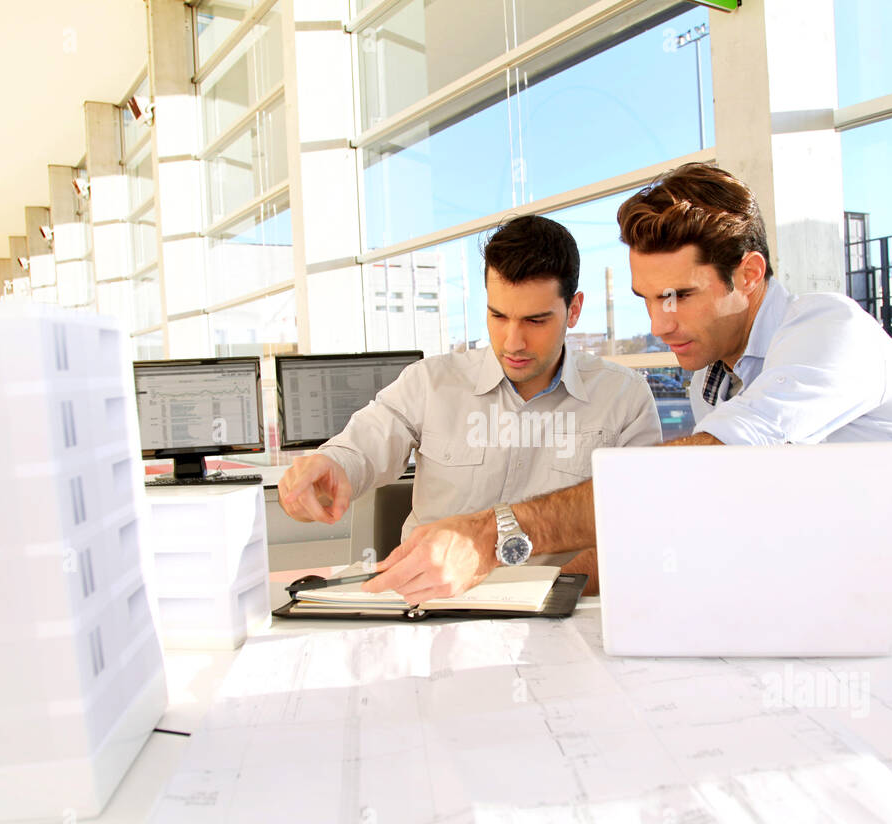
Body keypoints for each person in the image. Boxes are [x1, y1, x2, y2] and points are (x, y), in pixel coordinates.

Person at [363, 163, 892, 604]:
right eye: (648, 298)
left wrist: (496, 533)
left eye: (678, 295)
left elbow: (713, 476)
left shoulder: (830, 332)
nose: (660, 323)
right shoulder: (715, 379)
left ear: (750, 275)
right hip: (839, 619)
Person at [276, 214, 662, 592]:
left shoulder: (624, 398)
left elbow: (639, 526)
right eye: (498, 315)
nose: (513, 342)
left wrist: (554, 594)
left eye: (536, 320)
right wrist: (330, 467)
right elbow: (362, 446)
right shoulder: (431, 382)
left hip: (561, 605)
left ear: (573, 310)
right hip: (434, 605)